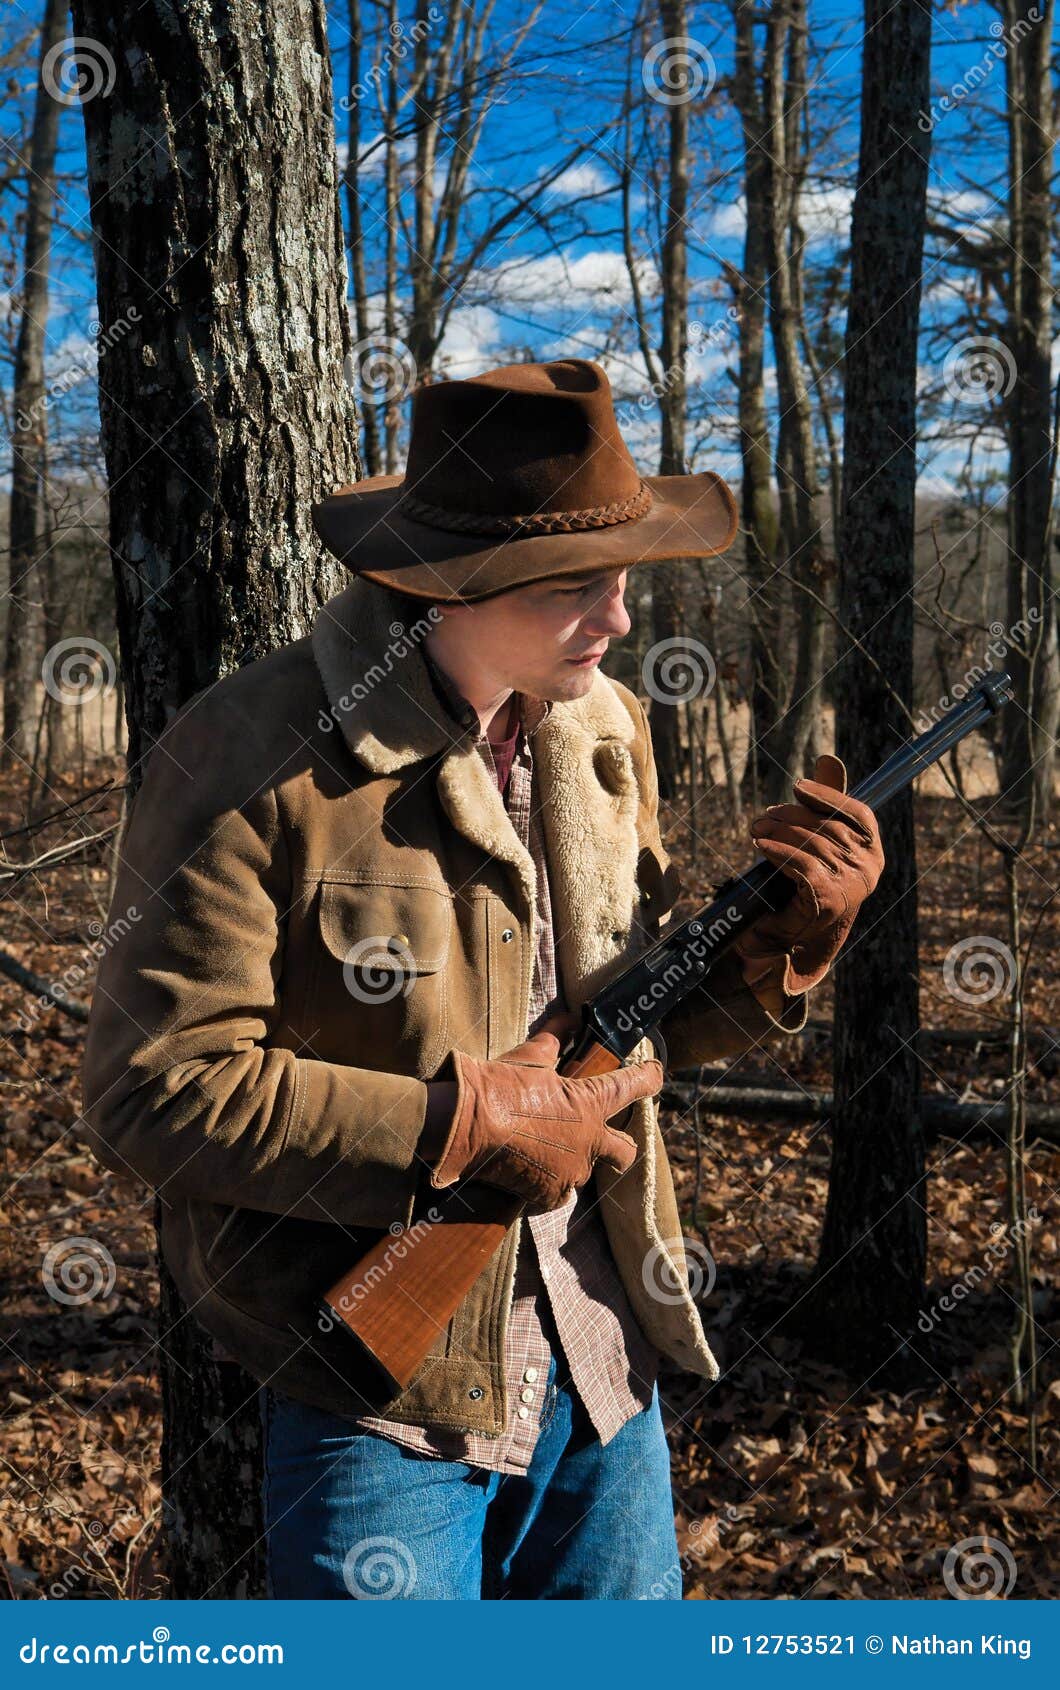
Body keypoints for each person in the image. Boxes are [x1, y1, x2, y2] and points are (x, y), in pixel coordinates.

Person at [81, 358, 884, 1600]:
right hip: (385, 1405)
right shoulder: (248, 755)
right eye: (576, 587)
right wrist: (457, 1125)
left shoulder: (603, 728)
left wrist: (790, 939)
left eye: (622, 581)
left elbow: (628, 1024)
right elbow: (155, 1090)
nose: (617, 621)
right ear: (450, 584)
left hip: (604, 1353)